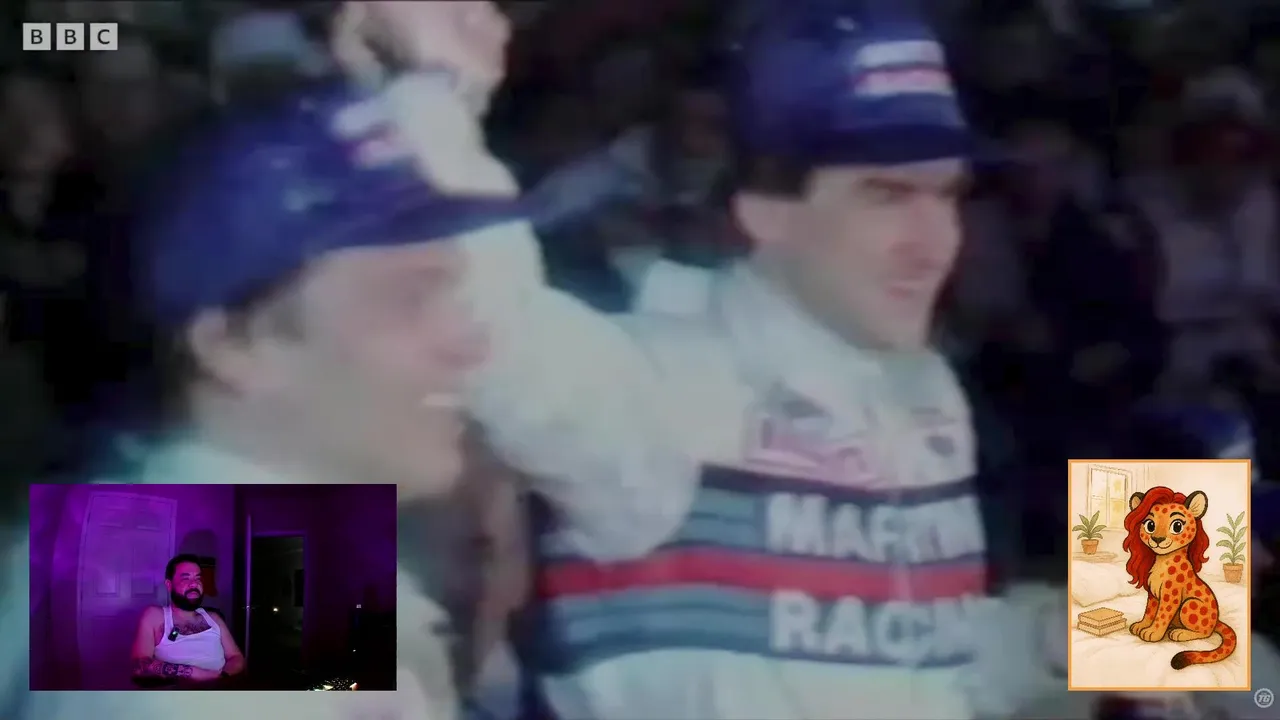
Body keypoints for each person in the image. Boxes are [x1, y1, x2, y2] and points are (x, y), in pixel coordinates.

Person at [339, 1, 1067, 718]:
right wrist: (429, 98)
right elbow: (489, 321)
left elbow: (926, 664)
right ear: (766, 209)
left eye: (947, 196)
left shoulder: (924, 389)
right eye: (887, 196)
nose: (934, 243)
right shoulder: (670, 386)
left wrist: (1057, 640)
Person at [0, 15, 517, 713]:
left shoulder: (212, 557)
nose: (473, 342)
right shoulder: (202, 634)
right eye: (409, 298)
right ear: (231, 347)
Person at [130, 554, 245, 684]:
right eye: (186, 578)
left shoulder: (214, 617)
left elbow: (236, 657)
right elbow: (139, 666)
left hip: (219, 689)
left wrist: (222, 677)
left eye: (198, 578)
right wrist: (193, 673)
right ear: (169, 585)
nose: (194, 584)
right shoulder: (154, 616)